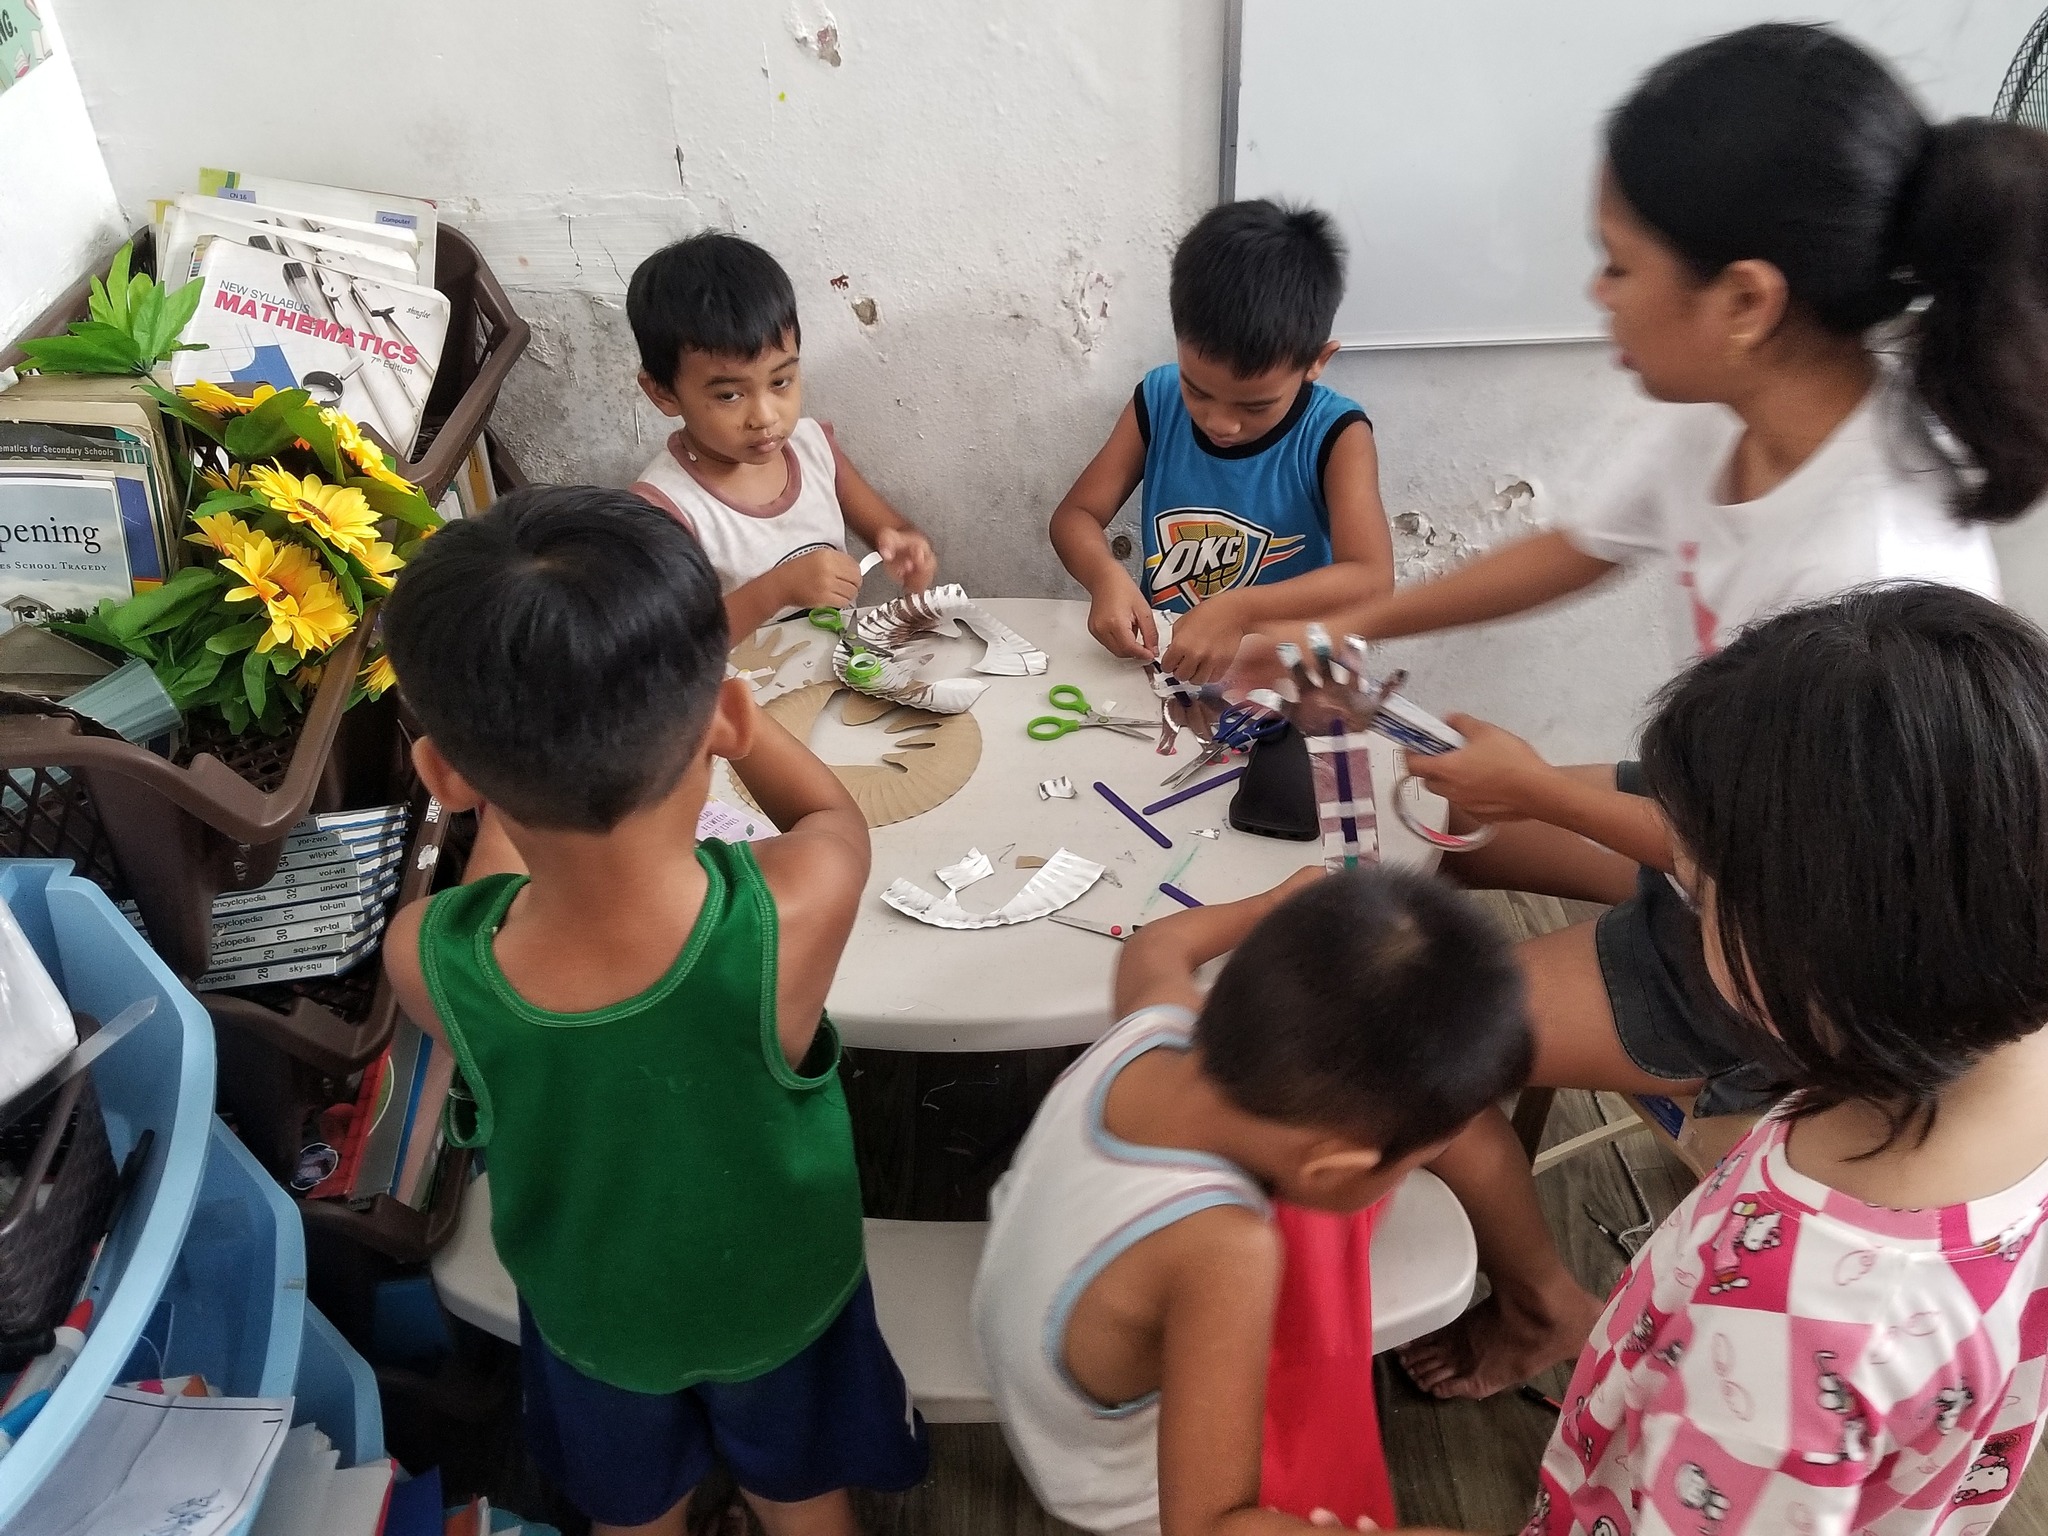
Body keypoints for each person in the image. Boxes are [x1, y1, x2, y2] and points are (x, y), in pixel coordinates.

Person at [1264, 22, 2048, 1403]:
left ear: (1743, 295)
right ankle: (1505, 1124)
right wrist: (1334, 619)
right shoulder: (1722, 396)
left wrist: (1543, 793)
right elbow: (1574, 543)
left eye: (1620, 262)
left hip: (1794, 943)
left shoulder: (1869, 564)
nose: (1596, 290)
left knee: (1392, 1039)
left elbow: (1791, 893)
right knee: (1429, 820)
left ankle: (1543, 1302)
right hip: (1728, 813)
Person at [379, 485, 927, 1536]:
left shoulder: (429, 961)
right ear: (723, 719)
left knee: (634, 1518)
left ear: (445, 775)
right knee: (808, 1503)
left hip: (595, 1326)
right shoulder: (790, 912)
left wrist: (505, 793)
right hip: (783, 1304)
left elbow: (486, 900)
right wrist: (740, 724)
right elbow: (829, 817)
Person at [1504, 582, 2048, 1535]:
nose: (1691, 909)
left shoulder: (1792, 1347)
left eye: (1702, 894)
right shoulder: (2008, 1043)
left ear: (1820, 958)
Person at [973, 865, 1531, 1536]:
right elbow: (1210, 1524)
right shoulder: (1224, 1246)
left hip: (1024, 1336)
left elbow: (1156, 946)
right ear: (1329, 1168)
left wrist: (1267, 902)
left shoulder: (1154, 1027)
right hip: (1114, 1488)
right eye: (1413, 1163)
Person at [1049, 199, 1394, 684]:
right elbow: (1075, 516)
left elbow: (1372, 581)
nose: (1221, 422)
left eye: (1255, 406)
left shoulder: (1336, 435)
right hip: (1169, 669)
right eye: (1198, 389)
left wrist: (1240, 610)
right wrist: (1105, 577)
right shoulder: (1159, 398)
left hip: (1286, 680)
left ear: (1316, 361)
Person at [627, 230, 939, 638]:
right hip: (741, 697)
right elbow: (676, 647)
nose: (765, 416)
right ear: (663, 393)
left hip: (846, 674)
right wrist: (776, 590)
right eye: (729, 394)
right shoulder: (664, 509)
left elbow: (896, 530)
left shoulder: (814, 449)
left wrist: (908, 548)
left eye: (780, 382)